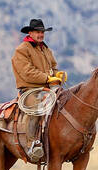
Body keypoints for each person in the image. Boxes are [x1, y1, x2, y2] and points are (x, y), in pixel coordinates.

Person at [11, 18, 65, 161]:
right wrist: (47, 78)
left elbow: (53, 66)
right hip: (30, 89)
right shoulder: (22, 50)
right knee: (37, 109)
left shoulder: (45, 49)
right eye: (37, 32)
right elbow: (26, 72)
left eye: (42, 32)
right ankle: (32, 144)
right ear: (30, 33)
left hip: (47, 88)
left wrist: (58, 74)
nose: (40, 35)